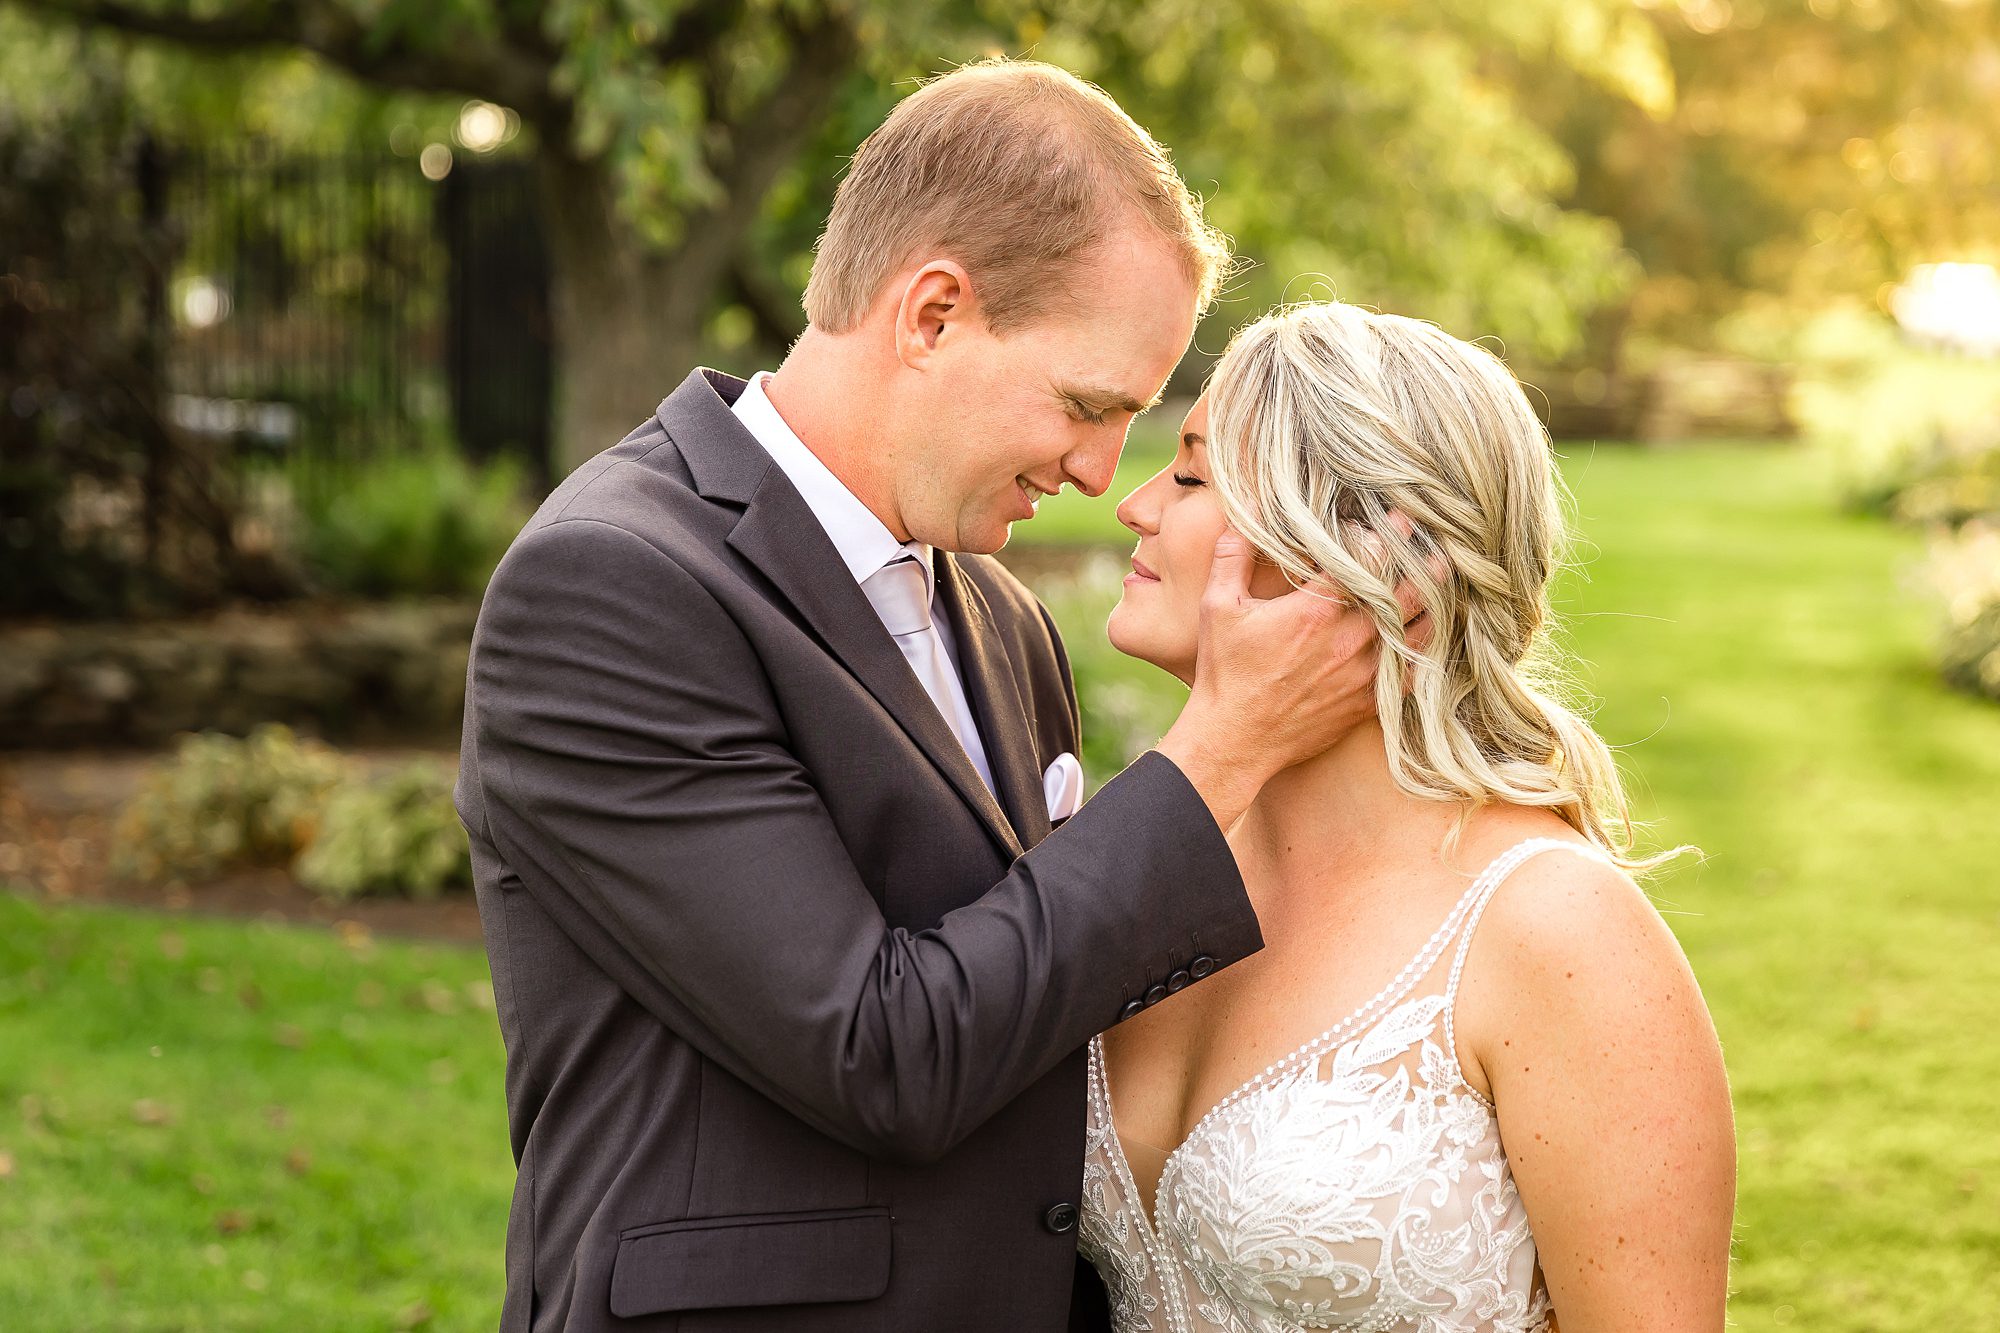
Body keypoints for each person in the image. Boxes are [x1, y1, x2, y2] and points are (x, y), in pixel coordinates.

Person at [453, 63, 1422, 1332]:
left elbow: (1037, 997)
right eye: (1087, 406)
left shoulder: (998, 617)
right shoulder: (616, 585)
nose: (1095, 472)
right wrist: (1221, 750)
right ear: (931, 315)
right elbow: (877, 1051)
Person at [1078, 301, 1737, 1332]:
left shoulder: (1553, 929)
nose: (1134, 505)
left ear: (1364, 555)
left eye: (1192, 474)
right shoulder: (1129, 862)